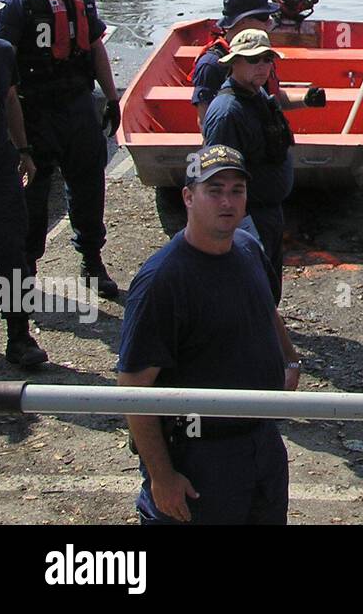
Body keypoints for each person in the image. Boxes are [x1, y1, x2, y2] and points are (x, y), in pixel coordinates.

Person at [118, 144, 301, 525]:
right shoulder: (163, 281)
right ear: (188, 197)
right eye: (214, 190)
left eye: (237, 190)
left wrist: (289, 358)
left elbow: (266, 308)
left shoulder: (248, 248)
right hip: (200, 455)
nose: (227, 201)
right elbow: (133, 388)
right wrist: (162, 477)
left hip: (261, 443)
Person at [0, 0, 120, 300]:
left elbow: (95, 46)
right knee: (32, 197)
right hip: (37, 112)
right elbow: (3, 62)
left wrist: (113, 98)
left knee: (89, 183)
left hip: (78, 105)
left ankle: (91, 260)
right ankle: (26, 273)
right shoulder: (18, 1)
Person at [201, 30, 295, 303]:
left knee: (268, 284)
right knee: (247, 287)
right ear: (235, 62)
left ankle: (265, 331)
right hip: (248, 215)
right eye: (254, 60)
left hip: (270, 210)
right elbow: (217, 177)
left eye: (267, 59)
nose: (263, 67)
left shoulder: (258, 96)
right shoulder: (227, 112)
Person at [188, 0, 325, 127]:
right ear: (242, 21)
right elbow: (205, 121)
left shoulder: (260, 55)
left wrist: (306, 99)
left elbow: (272, 96)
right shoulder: (211, 65)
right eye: (264, 17)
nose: (270, 22)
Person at [0, 33, 43, 367]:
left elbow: (11, 99)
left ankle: (19, 337)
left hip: (0, 170)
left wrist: (24, 149)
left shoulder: (1, 52)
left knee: (13, 253)